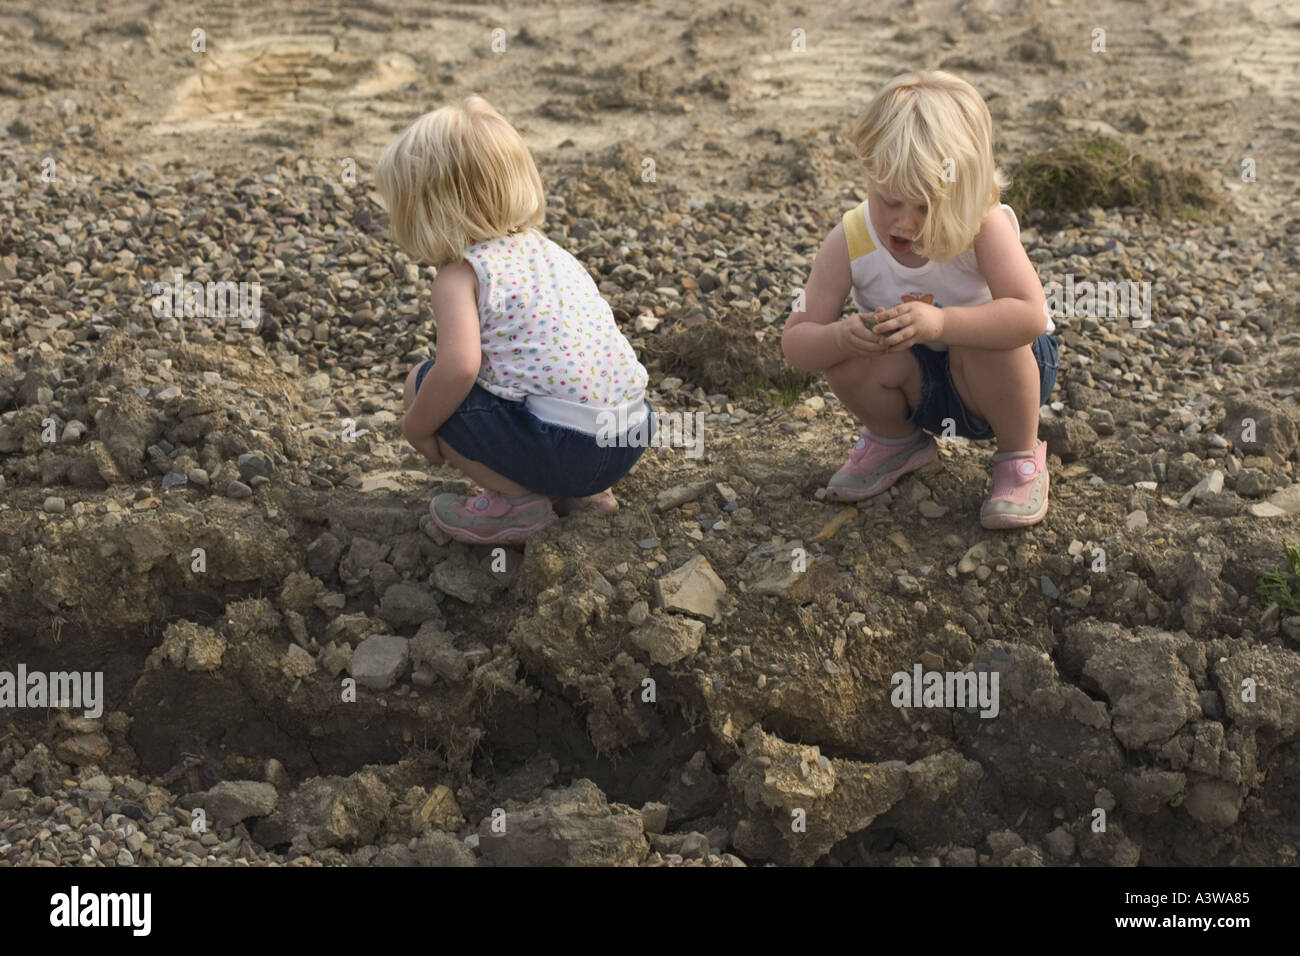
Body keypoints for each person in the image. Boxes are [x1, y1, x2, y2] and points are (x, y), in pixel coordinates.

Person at [781, 70, 1059, 529]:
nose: (904, 224)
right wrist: (841, 337)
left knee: (982, 335)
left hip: (1005, 379)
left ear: (965, 191)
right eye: (890, 201)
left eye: (926, 207)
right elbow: (796, 342)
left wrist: (942, 324)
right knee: (849, 356)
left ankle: (1019, 456)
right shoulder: (850, 240)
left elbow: (1030, 315)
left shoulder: (982, 228)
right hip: (918, 383)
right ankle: (897, 441)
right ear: (868, 174)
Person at [378, 96, 653, 544]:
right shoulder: (547, 251)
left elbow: (459, 368)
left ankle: (517, 503)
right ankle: (586, 495)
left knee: (423, 383)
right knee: (537, 393)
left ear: (425, 210)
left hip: (569, 450)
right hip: (630, 435)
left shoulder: (460, 275)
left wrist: (416, 426)